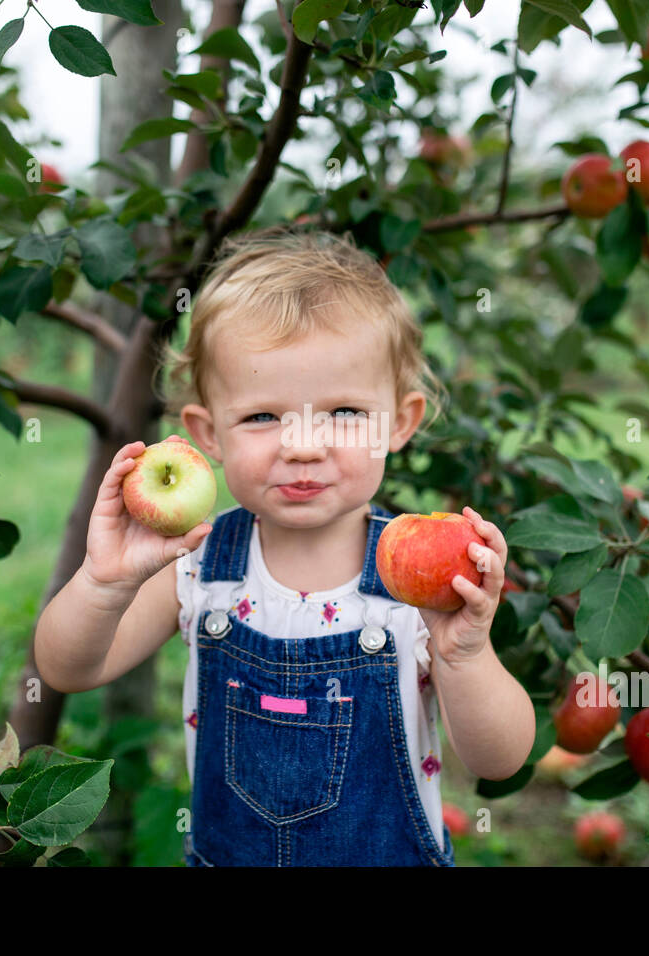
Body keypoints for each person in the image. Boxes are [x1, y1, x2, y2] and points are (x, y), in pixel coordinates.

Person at [33, 226, 535, 866]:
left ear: (400, 423)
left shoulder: (421, 590)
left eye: (345, 413)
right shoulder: (198, 568)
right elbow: (67, 669)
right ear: (206, 433)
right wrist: (104, 584)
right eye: (263, 416)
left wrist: (465, 657)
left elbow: (500, 761)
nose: (302, 443)